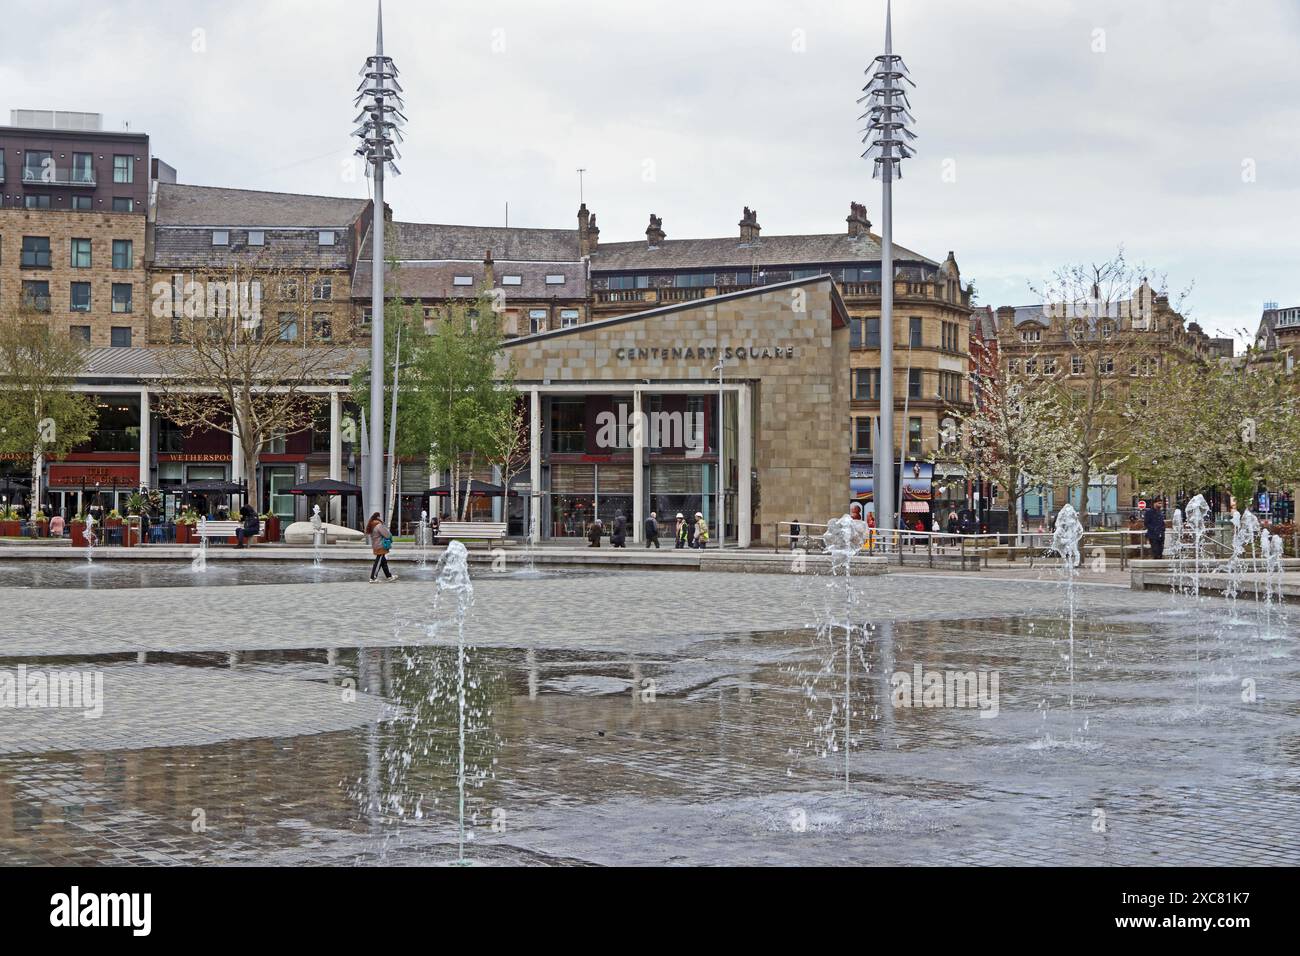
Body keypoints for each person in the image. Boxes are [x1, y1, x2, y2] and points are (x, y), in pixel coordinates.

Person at [366, 511, 396, 582]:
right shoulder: (378, 525)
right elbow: (387, 535)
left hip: (376, 545)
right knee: (378, 562)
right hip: (381, 545)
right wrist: (384, 525)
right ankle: (373, 577)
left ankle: (389, 576)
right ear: (378, 517)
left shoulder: (372, 524)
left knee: (383, 562)